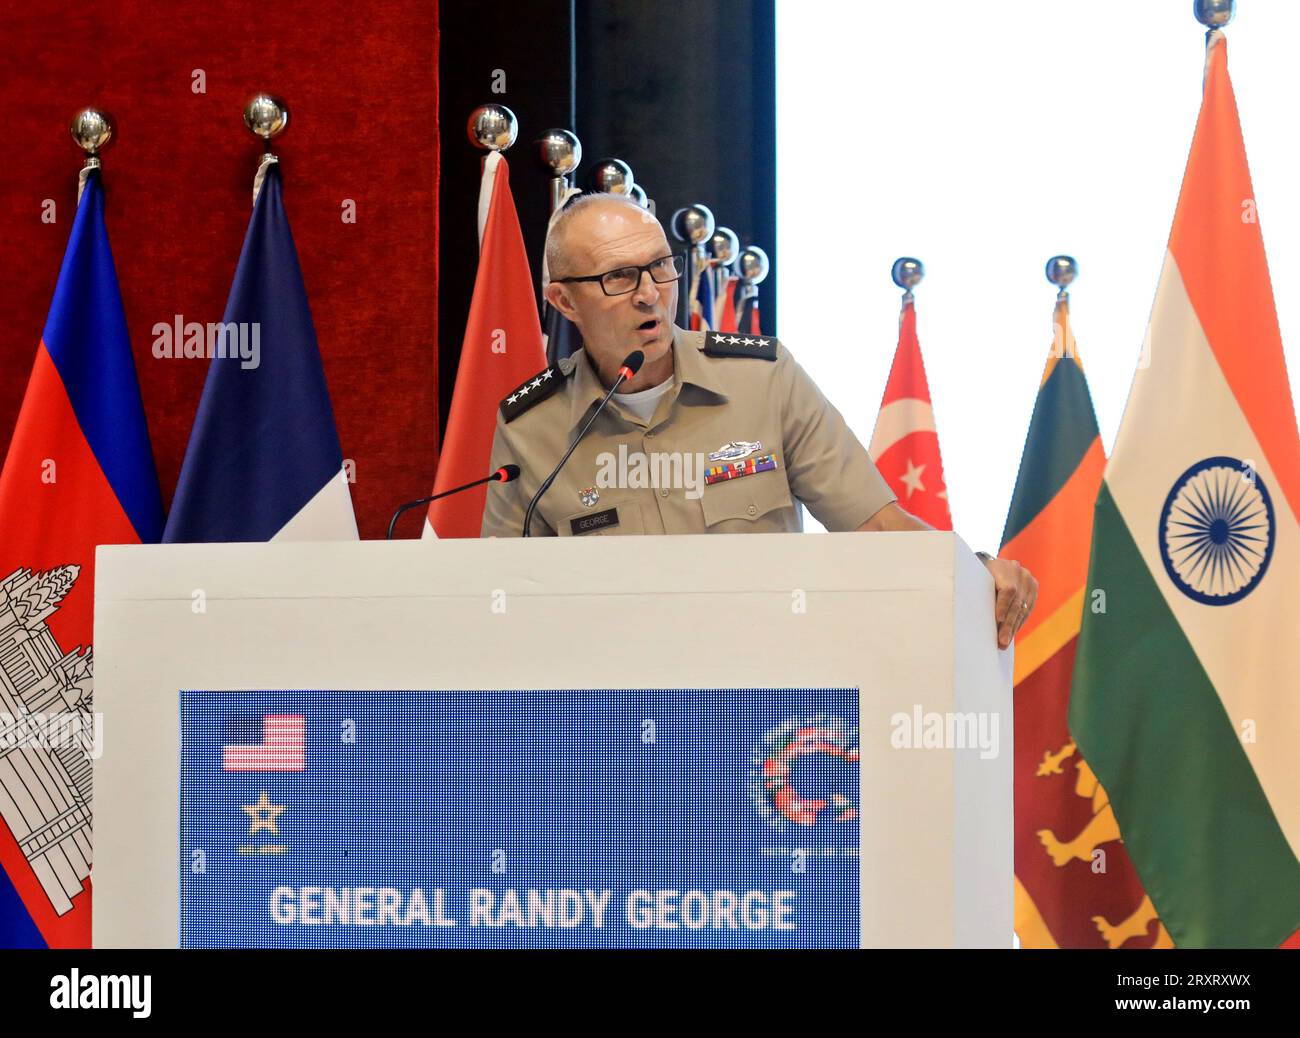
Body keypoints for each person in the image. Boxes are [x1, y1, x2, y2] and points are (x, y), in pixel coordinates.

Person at [481, 193, 1038, 649]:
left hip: (765, 711)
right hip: (611, 719)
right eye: (620, 277)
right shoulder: (531, 428)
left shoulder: (763, 381)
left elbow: (877, 529)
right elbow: (499, 603)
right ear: (564, 301)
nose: (650, 294)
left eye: (660, 267)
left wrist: (975, 573)